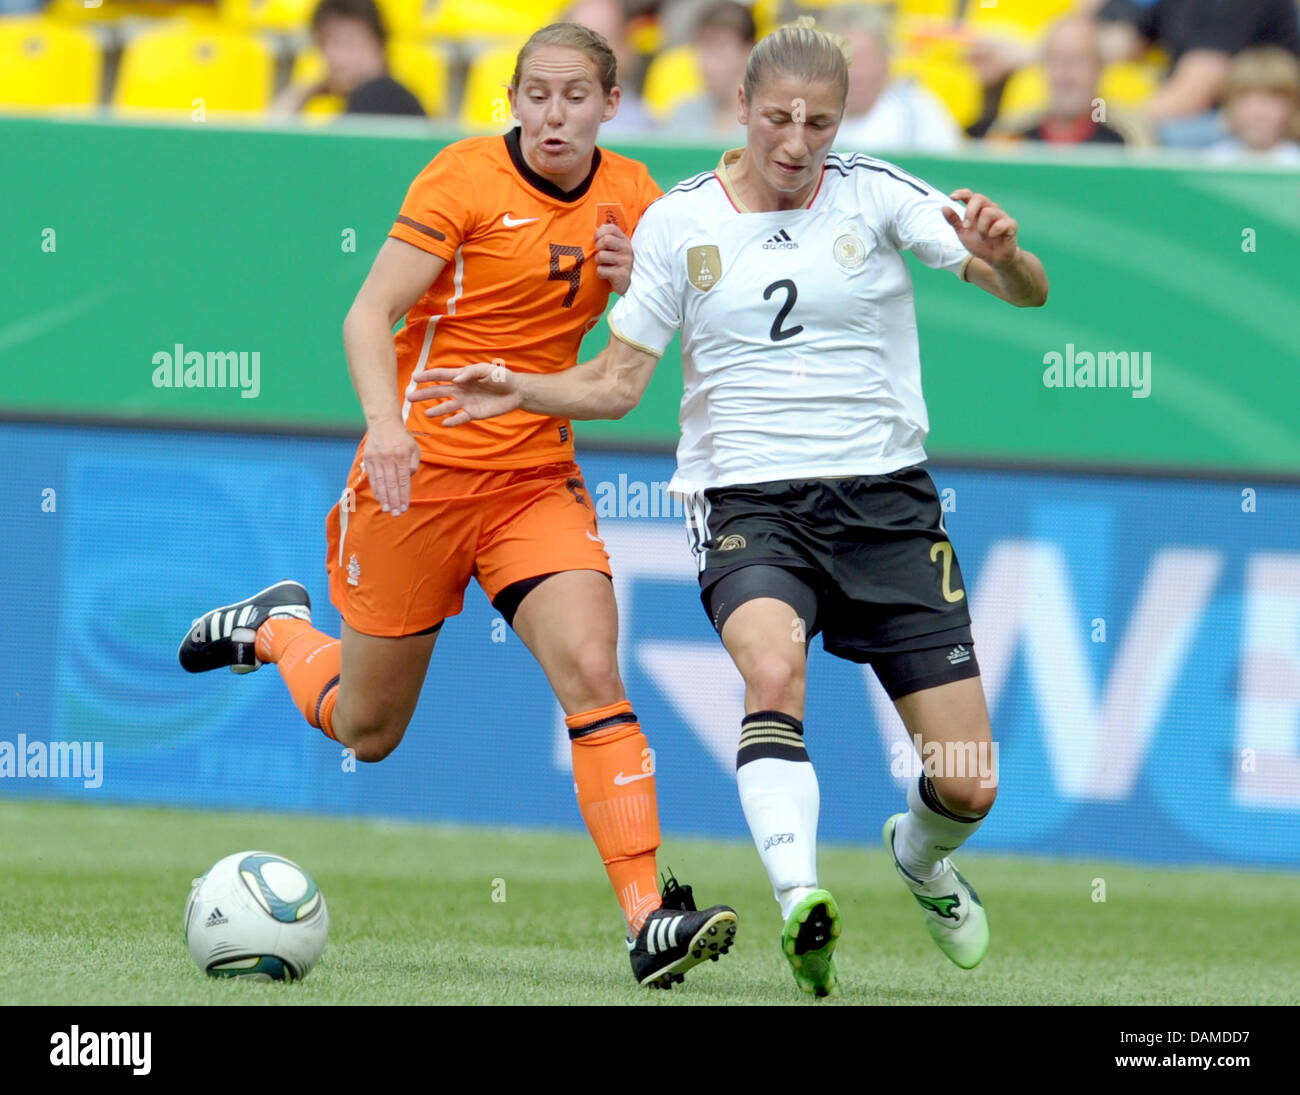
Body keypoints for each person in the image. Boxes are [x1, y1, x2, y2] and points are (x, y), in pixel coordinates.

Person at [413, 18, 1049, 997]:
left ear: (842, 122)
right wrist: (522, 386)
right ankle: (801, 900)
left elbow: (1025, 294)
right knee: (769, 667)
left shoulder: (877, 191)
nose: (796, 144)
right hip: (747, 499)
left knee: (967, 779)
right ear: (742, 110)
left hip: (888, 506)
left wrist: (1006, 256)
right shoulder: (679, 222)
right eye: (779, 119)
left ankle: (919, 859)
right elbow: (619, 383)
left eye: (820, 123)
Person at [180, 21, 738, 990]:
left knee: (593, 667)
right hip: (415, 481)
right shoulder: (463, 180)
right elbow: (366, 314)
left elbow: (704, 302)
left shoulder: (638, 199)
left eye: (575, 97)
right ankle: (276, 631)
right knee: (368, 730)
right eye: (536, 96)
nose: (553, 115)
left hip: (531, 482)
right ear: (512, 101)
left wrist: (645, 284)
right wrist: (384, 425)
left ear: (612, 104)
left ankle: (649, 918)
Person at [1093, 0, 1300, 143]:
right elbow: (1121, 42)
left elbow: (1191, 97)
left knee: (1159, 138)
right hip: (1209, 114)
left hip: (1254, 125)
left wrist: (1105, 121)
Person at [824, 4, 963, 154]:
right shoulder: (811, 114)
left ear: (886, 61)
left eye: (865, 59)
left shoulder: (920, 115)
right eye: (846, 60)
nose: (856, 73)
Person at [993, 17, 1143, 146]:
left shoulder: (1127, 136)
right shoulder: (1013, 130)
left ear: (1100, 68)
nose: (1065, 75)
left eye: (1077, 61)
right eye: (1056, 60)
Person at [271, 0, 425, 119]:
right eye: (323, 43)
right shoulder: (390, 95)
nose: (332, 56)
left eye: (345, 41)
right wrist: (307, 90)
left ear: (378, 42)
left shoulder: (377, 96)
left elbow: (272, 143)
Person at [669, 0, 756, 141]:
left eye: (717, 47)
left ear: (749, 51)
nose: (705, 62)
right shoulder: (682, 116)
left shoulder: (768, 120)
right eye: (702, 47)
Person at [566, 0, 656, 133]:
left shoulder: (644, 128)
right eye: (576, 41)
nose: (586, 54)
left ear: (625, 50)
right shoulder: (533, 119)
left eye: (600, 43)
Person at [1206, 46, 1300, 165]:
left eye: (1271, 101)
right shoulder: (1212, 161)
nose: (1258, 113)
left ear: (1293, 107)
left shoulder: (1295, 163)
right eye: (1246, 99)